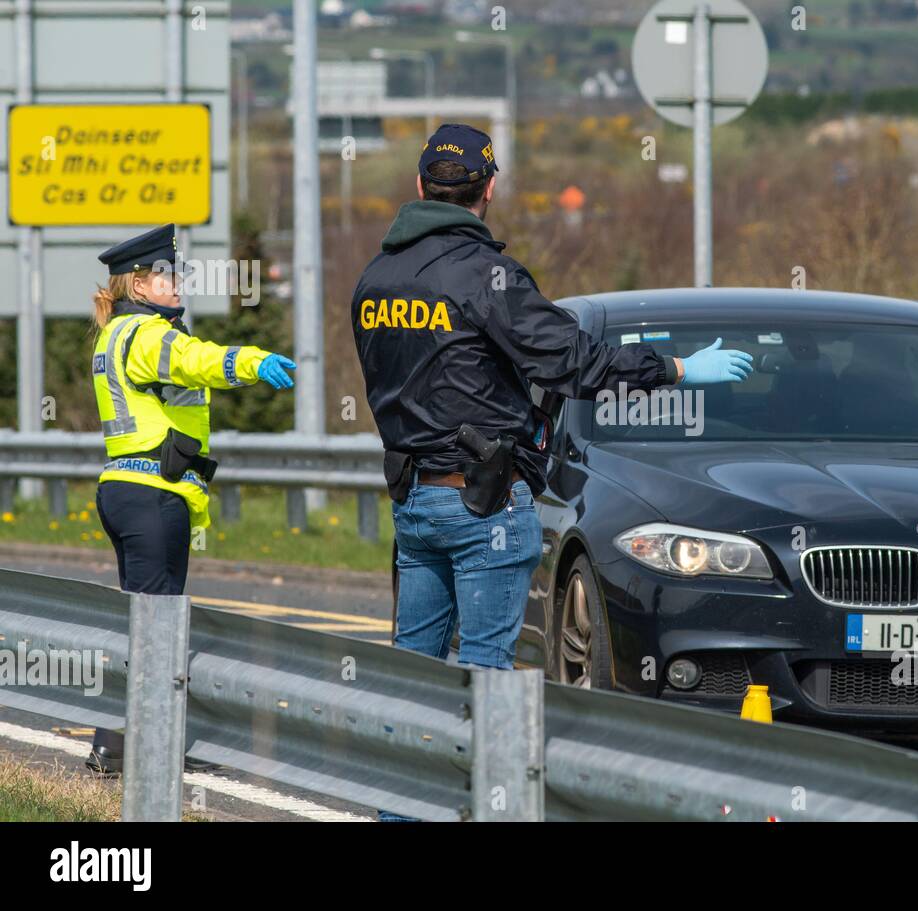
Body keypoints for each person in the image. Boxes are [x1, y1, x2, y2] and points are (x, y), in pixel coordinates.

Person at [351, 124, 752, 819]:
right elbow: (576, 364)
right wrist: (678, 367)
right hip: (483, 506)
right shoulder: (487, 277)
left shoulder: (375, 279)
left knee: (410, 676)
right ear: (490, 188)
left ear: (419, 187)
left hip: (414, 502)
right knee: (486, 678)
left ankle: (398, 812)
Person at [86, 224, 297, 775]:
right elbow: (196, 360)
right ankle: (152, 750)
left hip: (129, 490)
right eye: (167, 274)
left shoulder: (117, 335)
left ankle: (116, 742)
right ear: (138, 285)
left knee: (145, 620)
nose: (178, 282)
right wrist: (250, 363)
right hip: (152, 494)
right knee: (159, 626)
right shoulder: (147, 335)